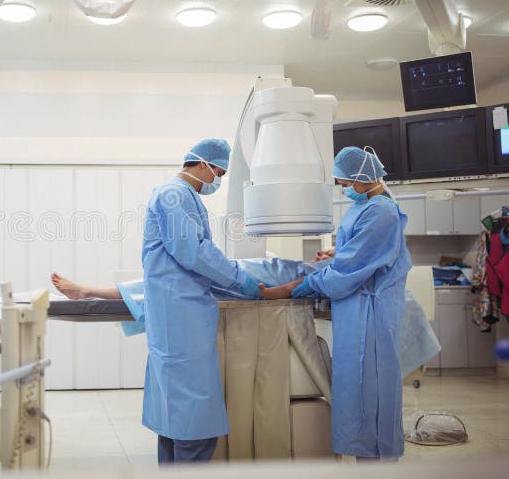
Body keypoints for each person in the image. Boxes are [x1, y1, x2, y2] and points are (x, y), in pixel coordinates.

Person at [259, 146, 412, 462]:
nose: (344, 189)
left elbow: (349, 270)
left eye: (345, 183)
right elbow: (355, 252)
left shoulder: (381, 211)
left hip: (371, 314)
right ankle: (363, 456)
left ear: (361, 177)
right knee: (354, 390)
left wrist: (293, 286)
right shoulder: (367, 206)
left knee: (371, 390)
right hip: (354, 311)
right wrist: (337, 252)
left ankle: (378, 461)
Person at [138, 138, 261, 465]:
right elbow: (194, 252)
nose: (216, 180)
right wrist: (241, 279)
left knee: (175, 418)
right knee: (192, 419)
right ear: (202, 164)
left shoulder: (182, 196)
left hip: (180, 310)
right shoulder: (175, 195)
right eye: (217, 172)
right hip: (180, 316)